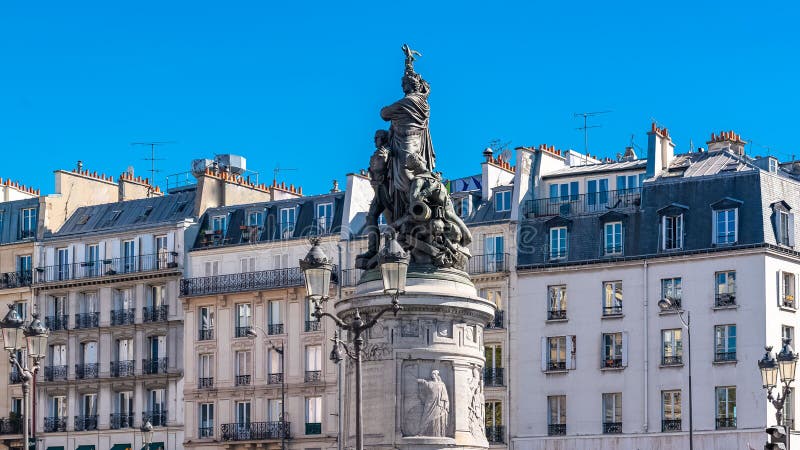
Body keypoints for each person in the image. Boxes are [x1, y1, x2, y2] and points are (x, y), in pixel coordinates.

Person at [416, 370, 449, 436]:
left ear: (437, 375)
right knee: (425, 417)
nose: (432, 375)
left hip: (439, 403)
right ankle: (421, 432)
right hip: (430, 402)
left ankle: (437, 433)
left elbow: (445, 396)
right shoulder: (430, 383)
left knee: (437, 417)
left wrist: (445, 404)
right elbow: (425, 383)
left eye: (434, 374)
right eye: (432, 374)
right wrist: (420, 380)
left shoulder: (442, 384)